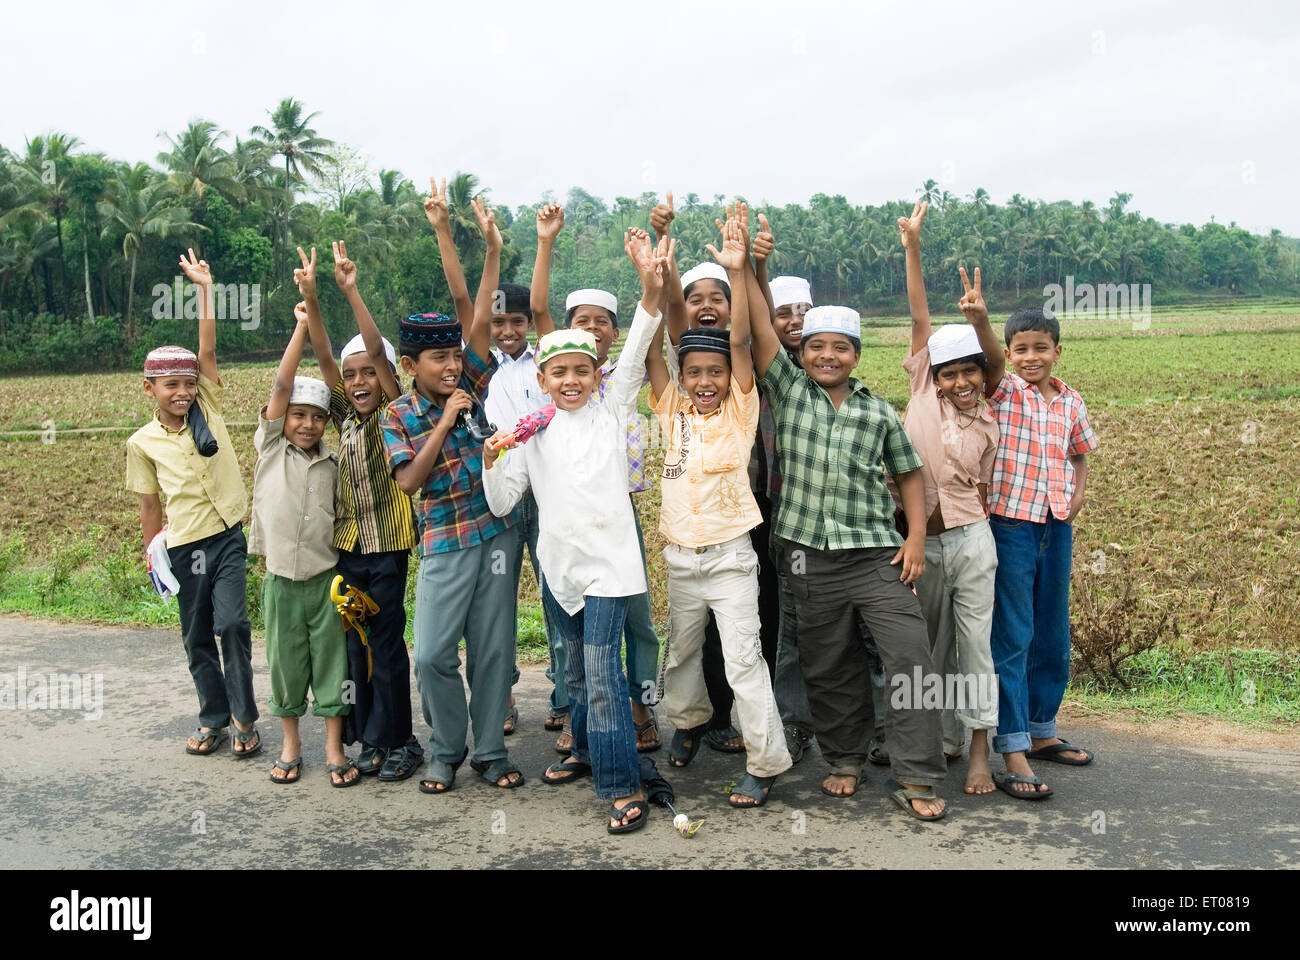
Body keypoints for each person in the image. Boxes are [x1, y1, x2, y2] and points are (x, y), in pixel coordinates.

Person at [482, 230, 673, 834]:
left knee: (603, 665)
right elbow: (505, 498)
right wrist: (490, 462)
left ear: (598, 375)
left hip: (610, 567)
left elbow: (642, 332)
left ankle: (621, 787)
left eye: (581, 371)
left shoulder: (613, 410)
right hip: (558, 565)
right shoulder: (531, 431)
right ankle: (587, 750)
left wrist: (649, 284)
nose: (570, 381)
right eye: (558, 371)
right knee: (578, 668)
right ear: (542, 379)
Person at [748, 266, 949, 820]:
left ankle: (917, 775)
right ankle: (844, 760)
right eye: (816, 346)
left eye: (840, 347)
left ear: (856, 355)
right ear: (803, 352)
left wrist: (912, 539)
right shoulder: (788, 393)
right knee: (828, 665)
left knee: (912, 658)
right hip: (807, 557)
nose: (826, 356)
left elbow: (909, 474)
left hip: (874, 556)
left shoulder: (878, 411)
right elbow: (762, 329)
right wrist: (746, 264)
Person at [645, 213, 791, 807]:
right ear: (679, 380)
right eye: (693, 373)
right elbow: (652, 348)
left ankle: (764, 761)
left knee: (743, 660)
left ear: (733, 378)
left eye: (716, 373)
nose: (706, 380)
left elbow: (738, 343)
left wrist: (738, 268)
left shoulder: (740, 411)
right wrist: (653, 288)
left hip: (732, 559)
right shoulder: (669, 412)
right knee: (680, 652)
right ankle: (687, 723)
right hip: (681, 558)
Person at [381, 196, 524, 793]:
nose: (449, 367)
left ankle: (490, 752)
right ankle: (446, 748)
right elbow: (410, 482)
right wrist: (444, 422)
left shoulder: (470, 377)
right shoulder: (398, 413)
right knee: (433, 654)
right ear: (411, 363)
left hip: (494, 534)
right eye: (436, 359)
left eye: (452, 356)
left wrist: (490, 248)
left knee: (492, 653)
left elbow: (477, 313)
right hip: (443, 541)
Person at [531, 207, 662, 755]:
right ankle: (578, 715)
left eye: (601, 323)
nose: (590, 331)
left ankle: (639, 707)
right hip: (564, 514)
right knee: (570, 620)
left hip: (616, 512)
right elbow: (538, 309)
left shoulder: (613, 385)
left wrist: (647, 277)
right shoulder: (560, 380)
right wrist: (546, 243)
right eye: (579, 321)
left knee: (633, 619)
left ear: (612, 333)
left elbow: (645, 335)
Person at [125, 249, 259, 761]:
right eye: (170, 385)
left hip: (225, 536)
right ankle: (213, 719)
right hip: (182, 546)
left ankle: (245, 716)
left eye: (187, 383)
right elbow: (149, 506)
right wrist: (151, 552)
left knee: (231, 625)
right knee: (196, 636)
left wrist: (205, 287)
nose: (181, 392)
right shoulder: (142, 443)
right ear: (150, 389)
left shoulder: (209, 404)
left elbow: (207, 346)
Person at [295, 242, 422, 782]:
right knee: (356, 647)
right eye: (352, 376)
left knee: (388, 646)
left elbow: (371, 347)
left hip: (389, 546)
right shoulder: (345, 414)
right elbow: (325, 358)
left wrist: (350, 290)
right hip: (349, 548)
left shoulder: (393, 411)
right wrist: (310, 299)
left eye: (370, 371)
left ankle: (401, 742)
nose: (360, 381)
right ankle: (370, 737)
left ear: (387, 374)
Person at [971, 283, 1100, 799]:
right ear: (1008, 353)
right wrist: (981, 317)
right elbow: (990, 358)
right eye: (1020, 348)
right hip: (1012, 526)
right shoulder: (1004, 390)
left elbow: (1080, 455)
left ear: (1057, 352)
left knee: (1052, 632)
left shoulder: (1071, 400)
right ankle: (1013, 746)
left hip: (1055, 526)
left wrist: (1078, 497)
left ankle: (1043, 731)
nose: (1030, 357)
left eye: (1040, 347)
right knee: (1014, 634)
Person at [896, 201, 1001, 795]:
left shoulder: (989, 414)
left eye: (971, 373)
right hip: (920, 543)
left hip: (970, 540)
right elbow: (919, 318)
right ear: (932, 376)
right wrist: (913, 247)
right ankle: (938, 741)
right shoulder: (922, 390)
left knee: (975, 646)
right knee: (928, 647)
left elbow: (998, 356)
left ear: (983, 376)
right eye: (950, 374)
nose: (961, 383)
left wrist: (982, 320)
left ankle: (979, 750)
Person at [249, 302, 355, 786]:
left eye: (317, 417)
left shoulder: (334, 461)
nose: (308, 424)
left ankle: (333, 748)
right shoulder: (272, 448)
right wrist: (300, 326)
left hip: (324, 579)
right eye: (298, 415)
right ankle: (291, 744)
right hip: (280, 581)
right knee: (286, 664)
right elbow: (279, 384)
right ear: (282, 418)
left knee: (332, 665)